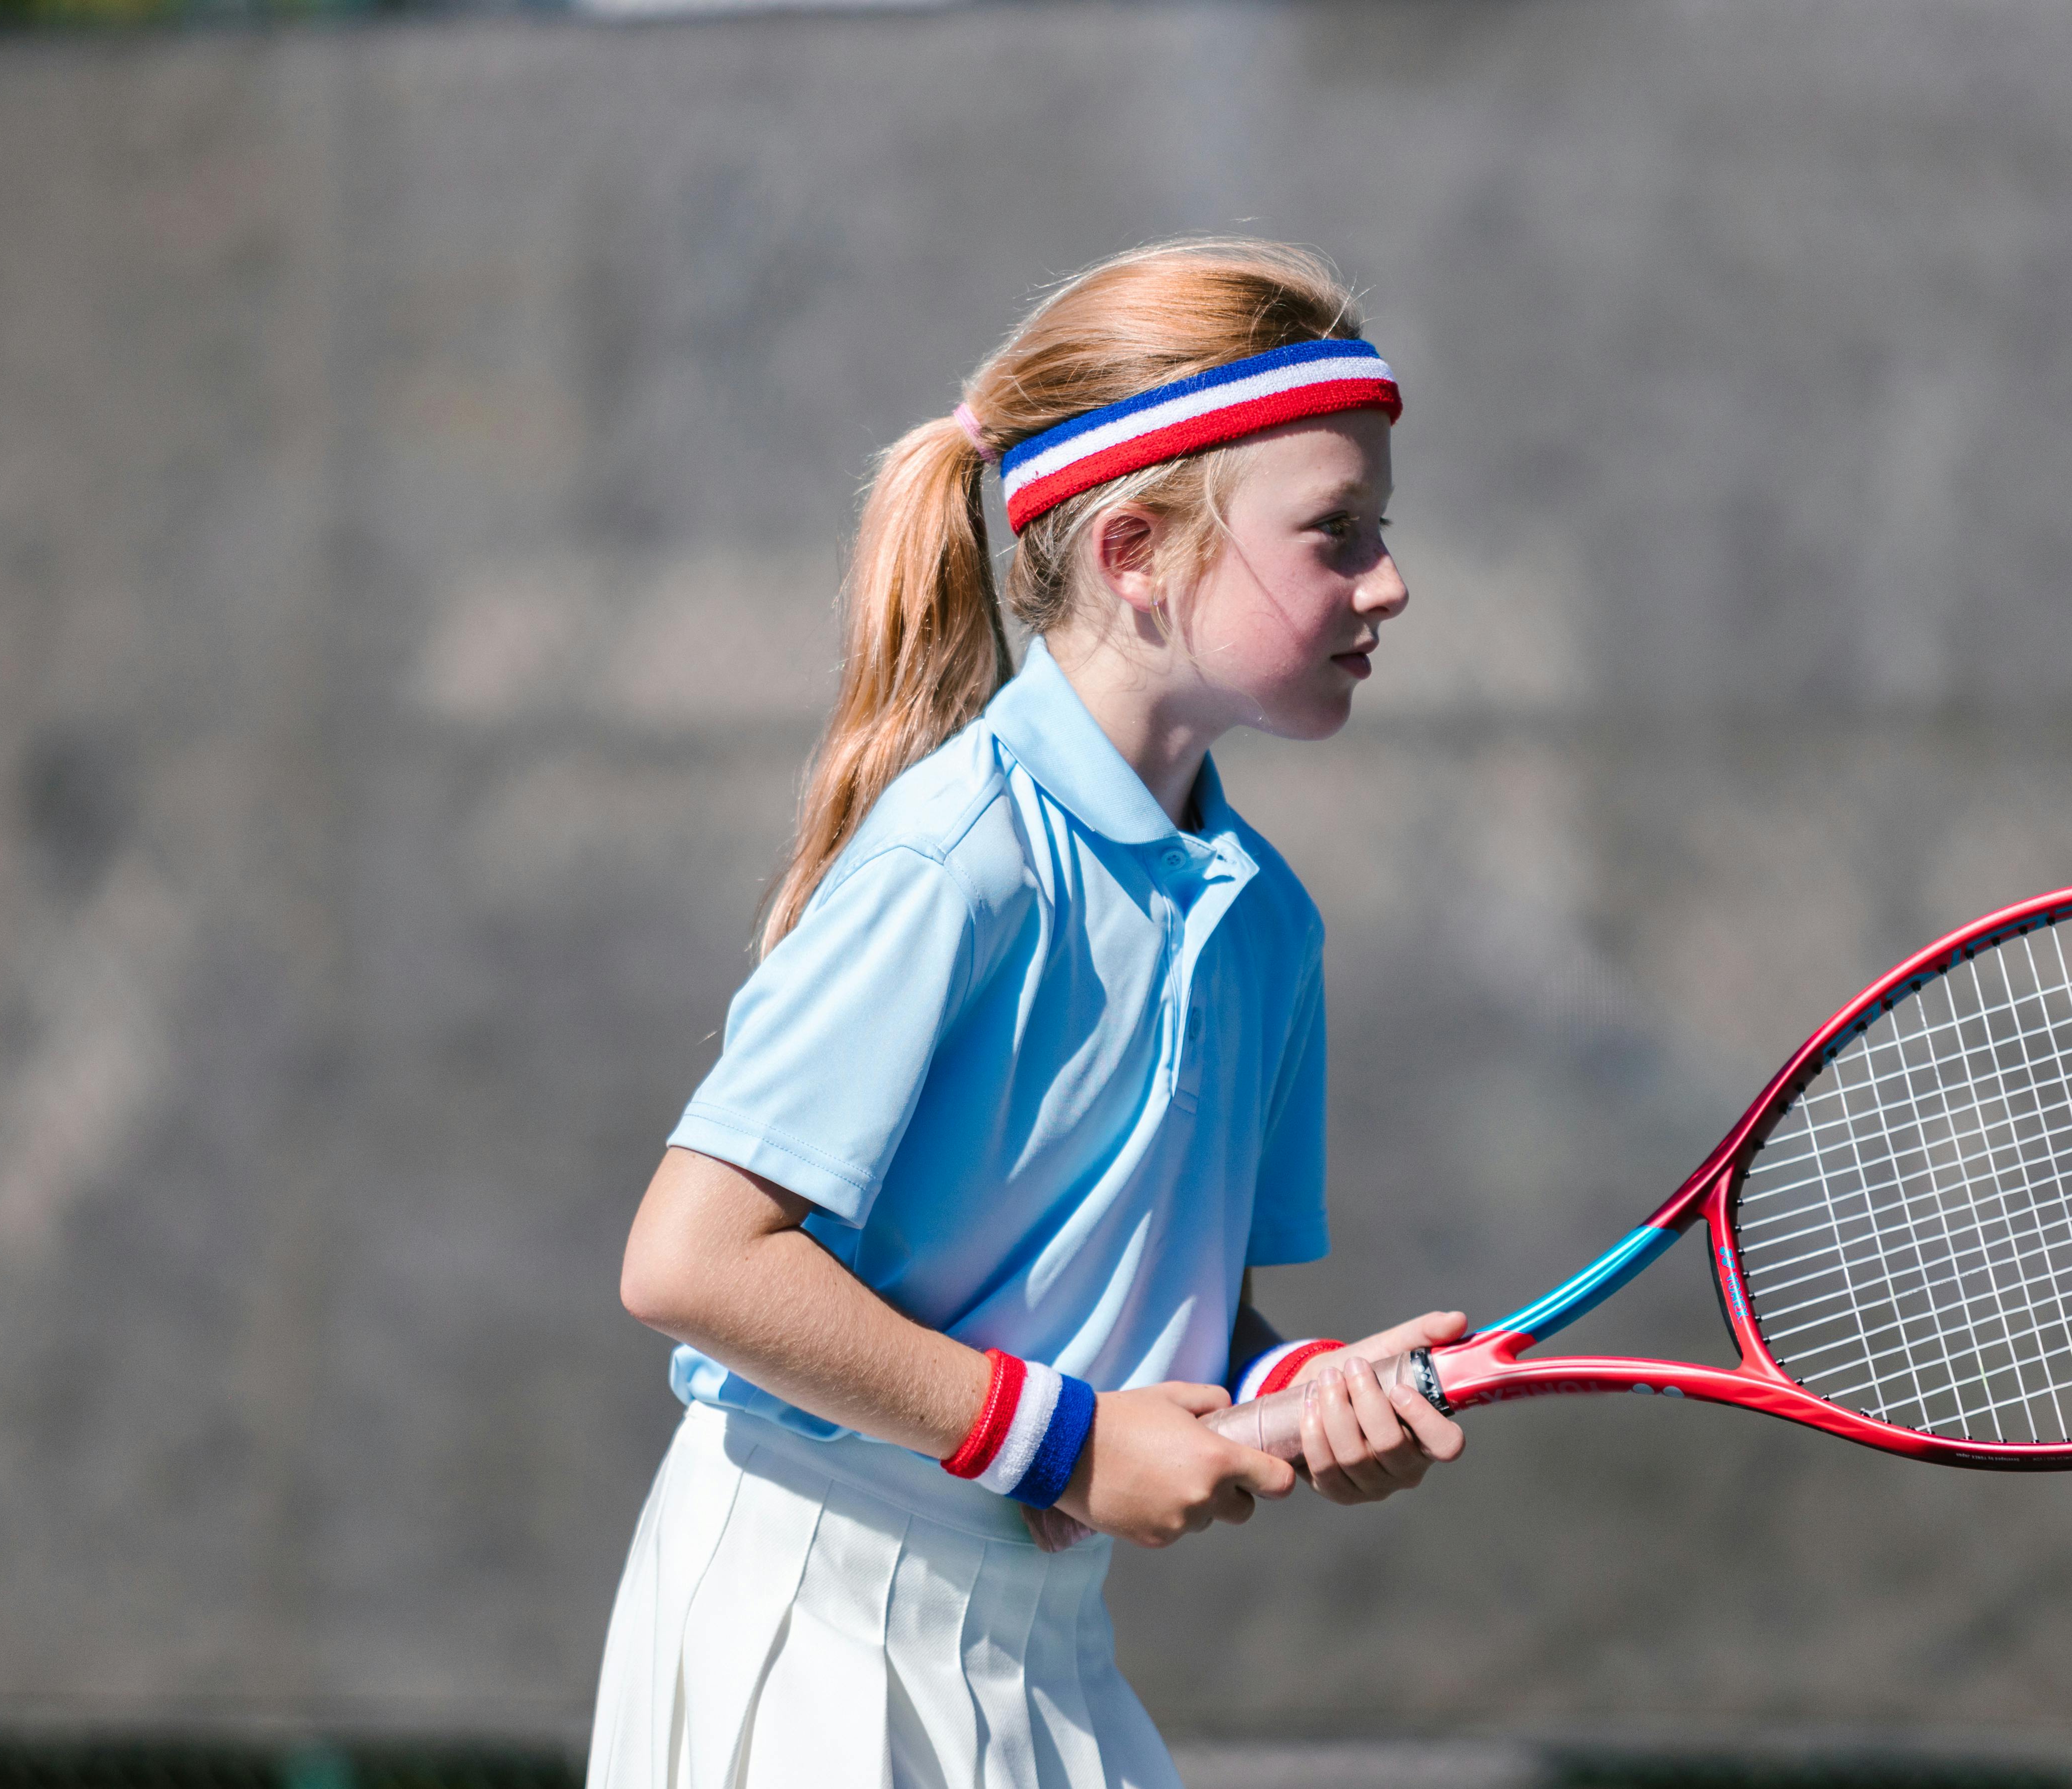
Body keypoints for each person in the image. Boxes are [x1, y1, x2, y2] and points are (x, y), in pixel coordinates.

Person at [586, 239, 1468, 1789]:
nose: (1386, 580)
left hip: (1041, 1637)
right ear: (1134, 553)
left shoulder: (1265, 920)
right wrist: (1065, 1444)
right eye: (1334, 533)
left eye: (1377, 529)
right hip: (804, 1612)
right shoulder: (957, 858)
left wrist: (1291, 1391)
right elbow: (689, 1257)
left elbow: (1154, 1313)